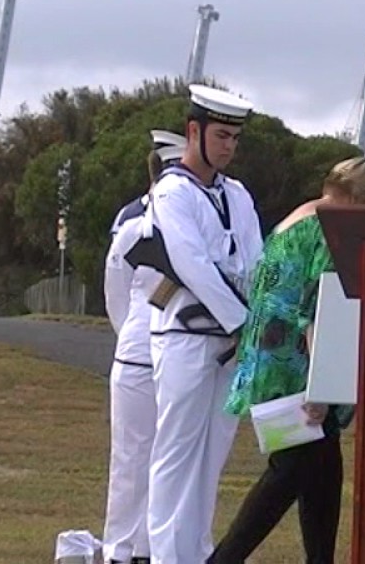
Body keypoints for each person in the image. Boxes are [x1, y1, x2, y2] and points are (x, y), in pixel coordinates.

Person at [208, 156, 365, 564]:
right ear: (361, 198)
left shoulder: (296, 220)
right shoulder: (333, 230)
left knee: (322, 470)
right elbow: (320, 307)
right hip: (296, 369)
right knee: (287, 474)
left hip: (268, 359)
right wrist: (322, 385)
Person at [147, 85, 264, 564]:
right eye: (220, 135)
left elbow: (257, 261)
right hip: (187, 337)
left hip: (233, 343)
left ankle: (198, 554)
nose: (228, 147)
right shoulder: (173, 192)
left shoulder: (237, 194)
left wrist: (256, 321)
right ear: (193, 132)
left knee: (212, 458)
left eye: (234, 138)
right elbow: (193, 264)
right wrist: (243, 322)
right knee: (176, 456)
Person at [100, 131, 184, 564]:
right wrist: (132, 332)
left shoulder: (198, 218)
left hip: (183, 351)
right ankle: (120, 547)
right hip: (139, 347)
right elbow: (117, 290)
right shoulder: (134, 221)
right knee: (131, 455)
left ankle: (152, 547)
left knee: (169, 454)